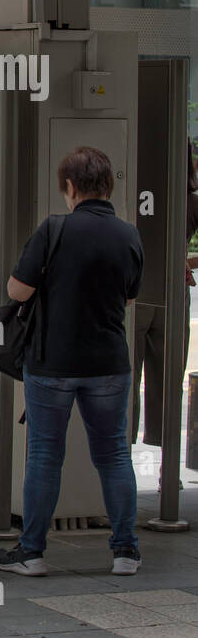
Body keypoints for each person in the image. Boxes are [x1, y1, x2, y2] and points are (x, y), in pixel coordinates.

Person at [0, 146, 144, 578]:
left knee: (44, 456)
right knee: (115, 455)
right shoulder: (128, 234)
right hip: (110, 364)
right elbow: (130, 295)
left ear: (70, 187)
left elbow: (18, 291)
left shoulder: (52, 230)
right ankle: (125, 553)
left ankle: (32, 552)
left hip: (52, 363)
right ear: (108, 186)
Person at [130, 137, 198, 453]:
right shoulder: (190, 200)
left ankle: (121, 456)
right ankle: (166, 469)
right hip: (173, 296)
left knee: (125, 379)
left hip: (134, 293)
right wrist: (183, 260)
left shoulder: (134, 192)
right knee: (167, 381)